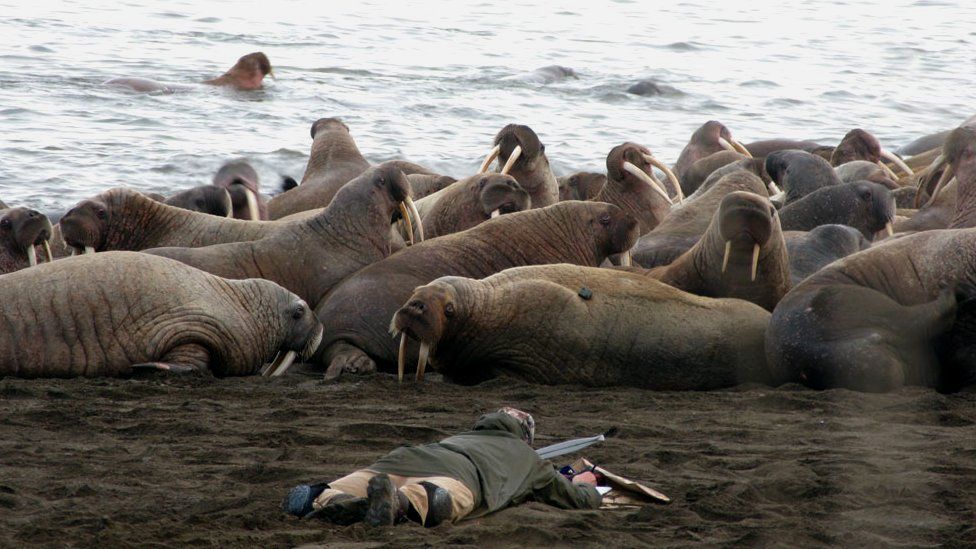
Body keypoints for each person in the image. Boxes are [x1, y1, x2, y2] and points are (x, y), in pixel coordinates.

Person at [281, 407, 602, 527]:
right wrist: (587, 483)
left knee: (341, 487)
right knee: (435, 498)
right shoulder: (532, 461)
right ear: (525, 437)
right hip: (460, 475)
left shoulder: (461, 436)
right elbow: (575, 500)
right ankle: (400, 503)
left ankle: (324, 499)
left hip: (403, 459)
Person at [104, 52, 273, 93]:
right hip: (160, 89)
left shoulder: (216, 84)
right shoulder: (231, 91)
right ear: (255, 75)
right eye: (262, 79)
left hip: (139, 82)